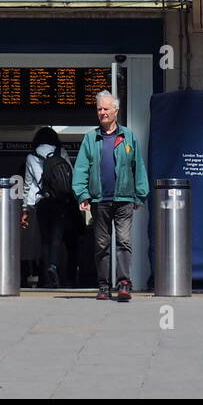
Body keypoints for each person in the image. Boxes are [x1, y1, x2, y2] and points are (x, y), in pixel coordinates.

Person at [72, 90, 148, 302]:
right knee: (101, 244)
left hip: (124, 198)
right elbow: (81, 168)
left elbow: (137, 166)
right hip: (99, 200)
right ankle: (103, 286)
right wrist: (82, 194)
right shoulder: (90, 138)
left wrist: (140, 194)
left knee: (124, 240)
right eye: (99, 109)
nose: (102, 112)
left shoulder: (128, 136)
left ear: (116, 111)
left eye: (106, 108)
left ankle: (124, 284)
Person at [20, 127, 80, 289]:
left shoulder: (31, 157)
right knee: (57, 238)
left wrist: (25, 208)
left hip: (42, 202)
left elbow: (28, 186)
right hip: (61, 201)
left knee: (45, 240)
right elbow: (71, 175)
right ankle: (55, 268)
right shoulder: (61, 152)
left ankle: (46, 278)